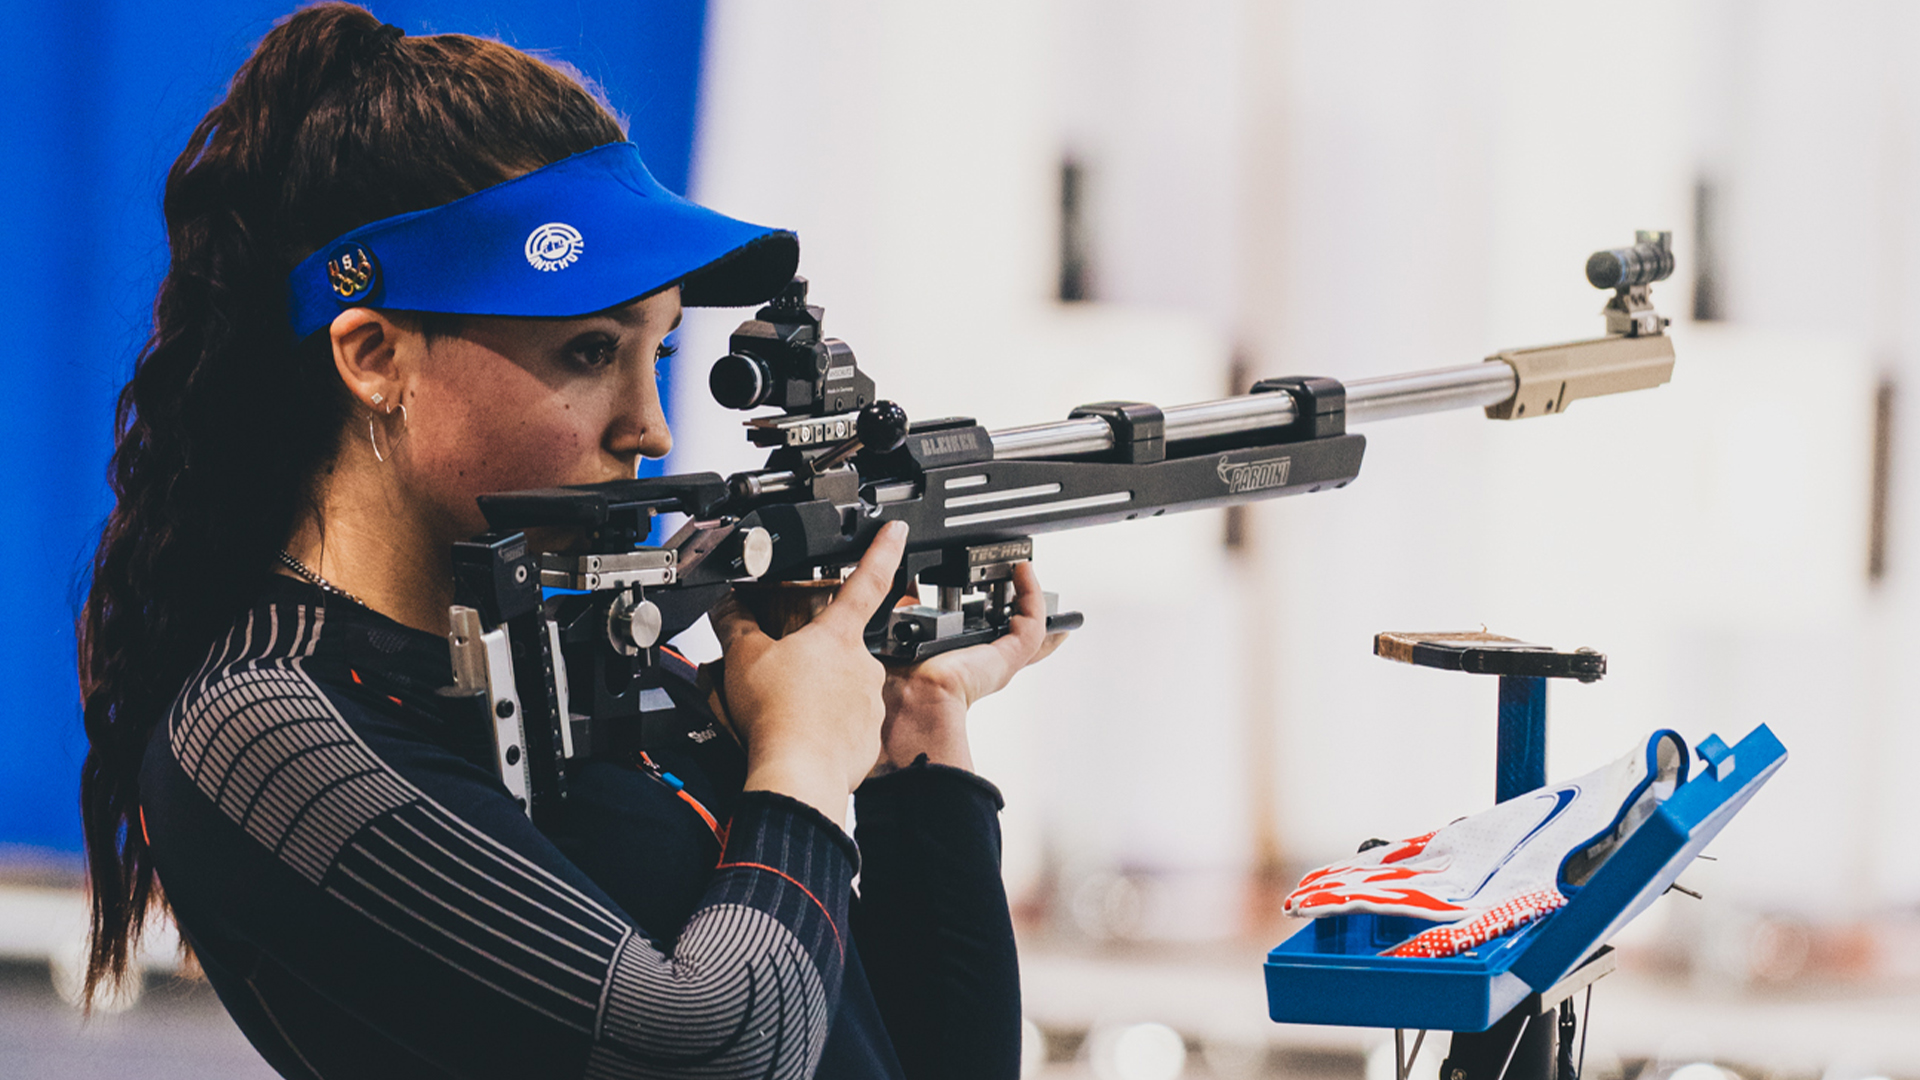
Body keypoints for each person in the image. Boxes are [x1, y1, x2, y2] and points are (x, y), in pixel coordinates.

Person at [77, 5, 1061, 1077]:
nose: (652, 425)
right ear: (374, 357)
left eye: (660, 350)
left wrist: (916, 736)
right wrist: (803, 760)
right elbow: (706, 1050)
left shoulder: (577, 668)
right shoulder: (263, 727)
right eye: (591, 349)